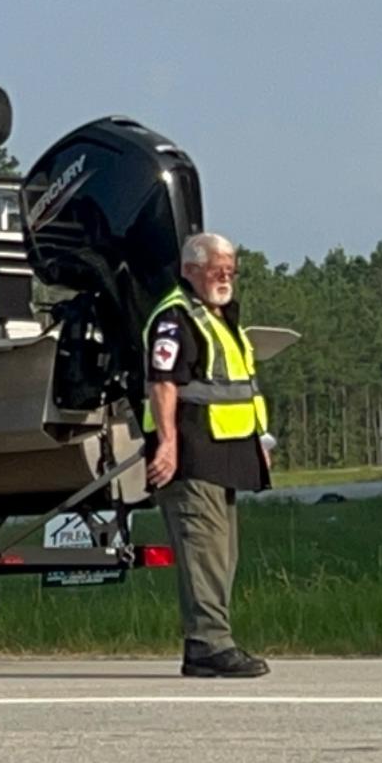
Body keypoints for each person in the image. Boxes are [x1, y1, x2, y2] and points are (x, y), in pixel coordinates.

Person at [143, 231, 271, 679]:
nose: (225, 275)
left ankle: (212, 642)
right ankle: (208, 646)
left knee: (223, 555)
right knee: (204, 553)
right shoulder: (175, 318)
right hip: (193, 454)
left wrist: (260, 443)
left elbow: (239, 389)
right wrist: (168, 443)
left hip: (227, 454)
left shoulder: (221, 318)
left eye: (230, 268)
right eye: (216, 267)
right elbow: (163, 383)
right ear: (190, 270)